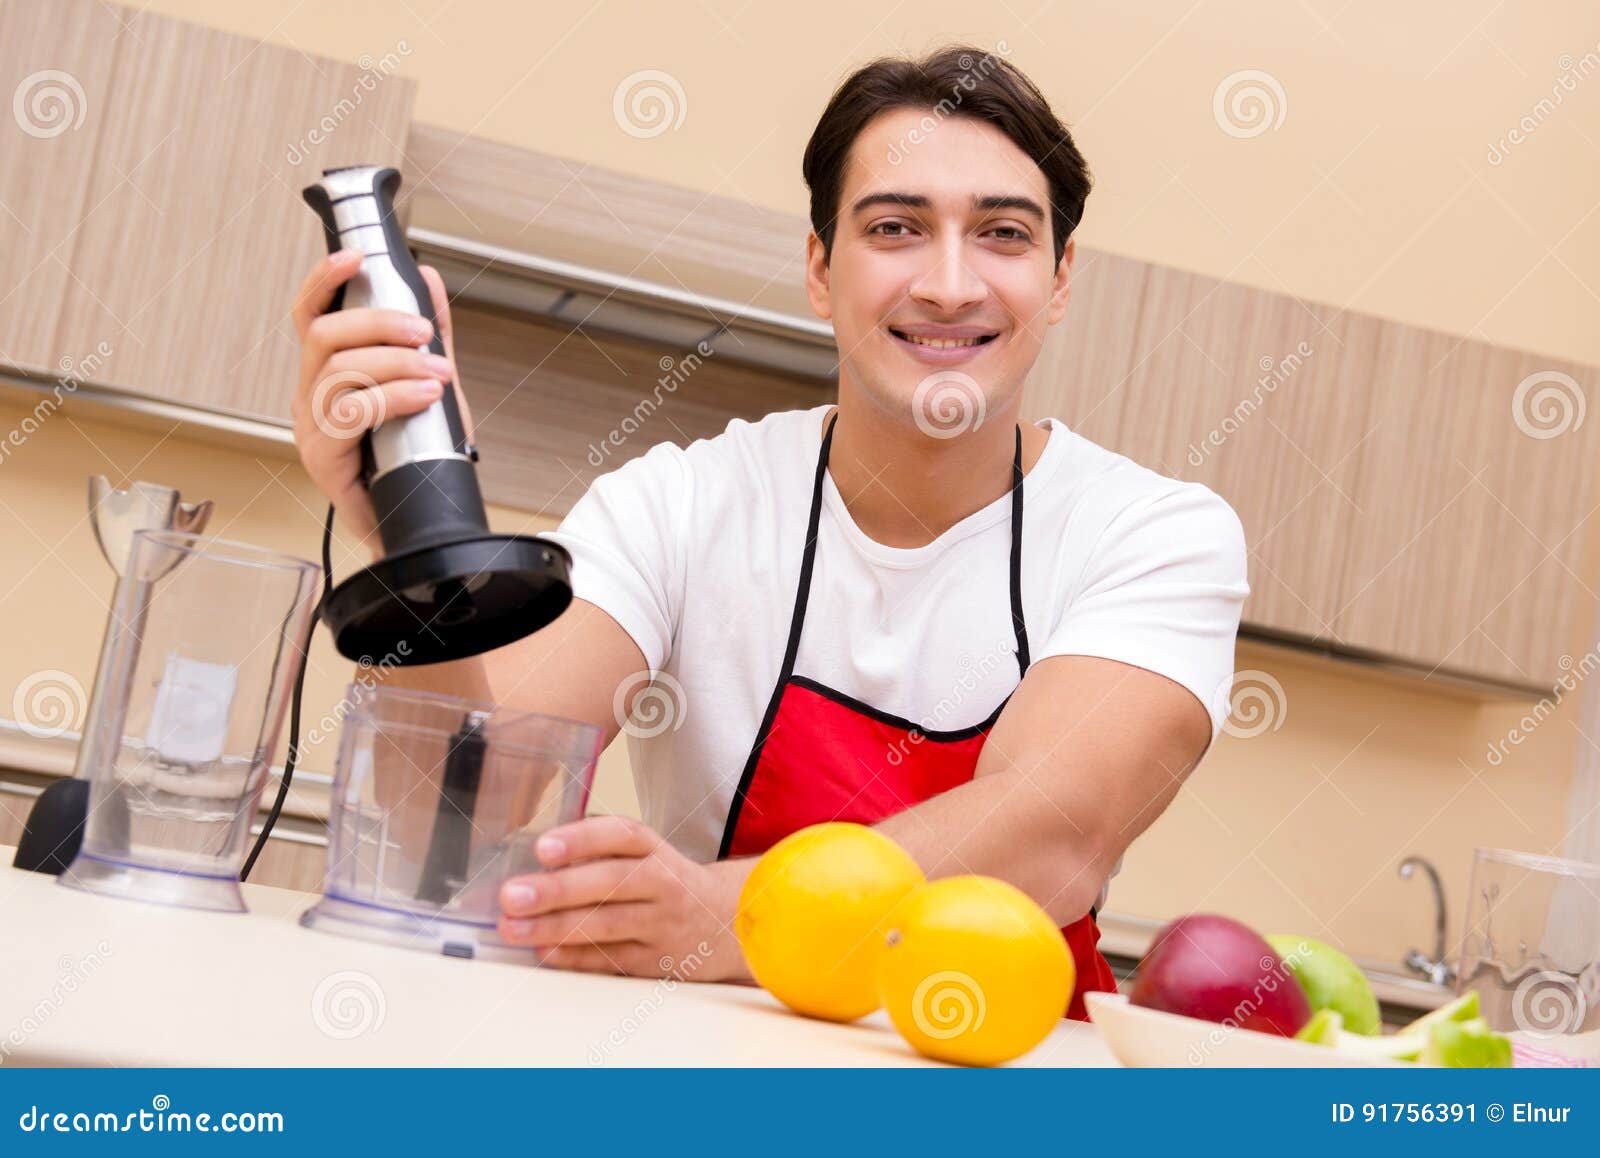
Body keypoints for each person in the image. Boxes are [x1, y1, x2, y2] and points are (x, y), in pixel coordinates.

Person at [289, 45, 1249, 1019]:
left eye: (1003, 233)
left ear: (1059, 278)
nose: (951, 285)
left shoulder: (1154, 536)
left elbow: (1053, 835)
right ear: (821, 270)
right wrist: (412, 544)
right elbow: (451, 821)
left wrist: (721, 916)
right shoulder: (677, 506)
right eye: (896, 228)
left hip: (1008, 1071)